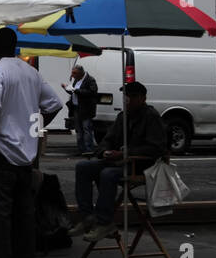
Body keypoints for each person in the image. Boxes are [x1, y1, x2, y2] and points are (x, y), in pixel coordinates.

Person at [0, 27, 64, 258]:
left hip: (0, 153)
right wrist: (32, 132)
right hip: (26, 157)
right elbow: (55, 105)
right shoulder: (31, 72)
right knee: (24, 216)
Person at [70, 81, 167, 242]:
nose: (128, 99)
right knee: (83, 167)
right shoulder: (123, 116)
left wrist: (124, 153)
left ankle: (104, 222)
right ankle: (87, 217)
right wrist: (105, 152)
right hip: (119, 162)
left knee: (108, 174)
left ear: (143, 98)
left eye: (132, 96)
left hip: (140, 166)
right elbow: (107, 140)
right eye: (126, 96)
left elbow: (156, 148)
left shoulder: (151, 117)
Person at [63, 64, 99, 158]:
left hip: (86, 109)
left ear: (80, 73)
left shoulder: (90, 80)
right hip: (76, 108)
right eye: (72, 72)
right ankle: (81, 150)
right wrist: (67, 88)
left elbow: (92, 92)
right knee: (79, 130)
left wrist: (76, 90)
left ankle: (89, 150)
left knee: (87, 129)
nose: (72, 75)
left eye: (74, 73)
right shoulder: (77, 79)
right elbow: (74, 91)